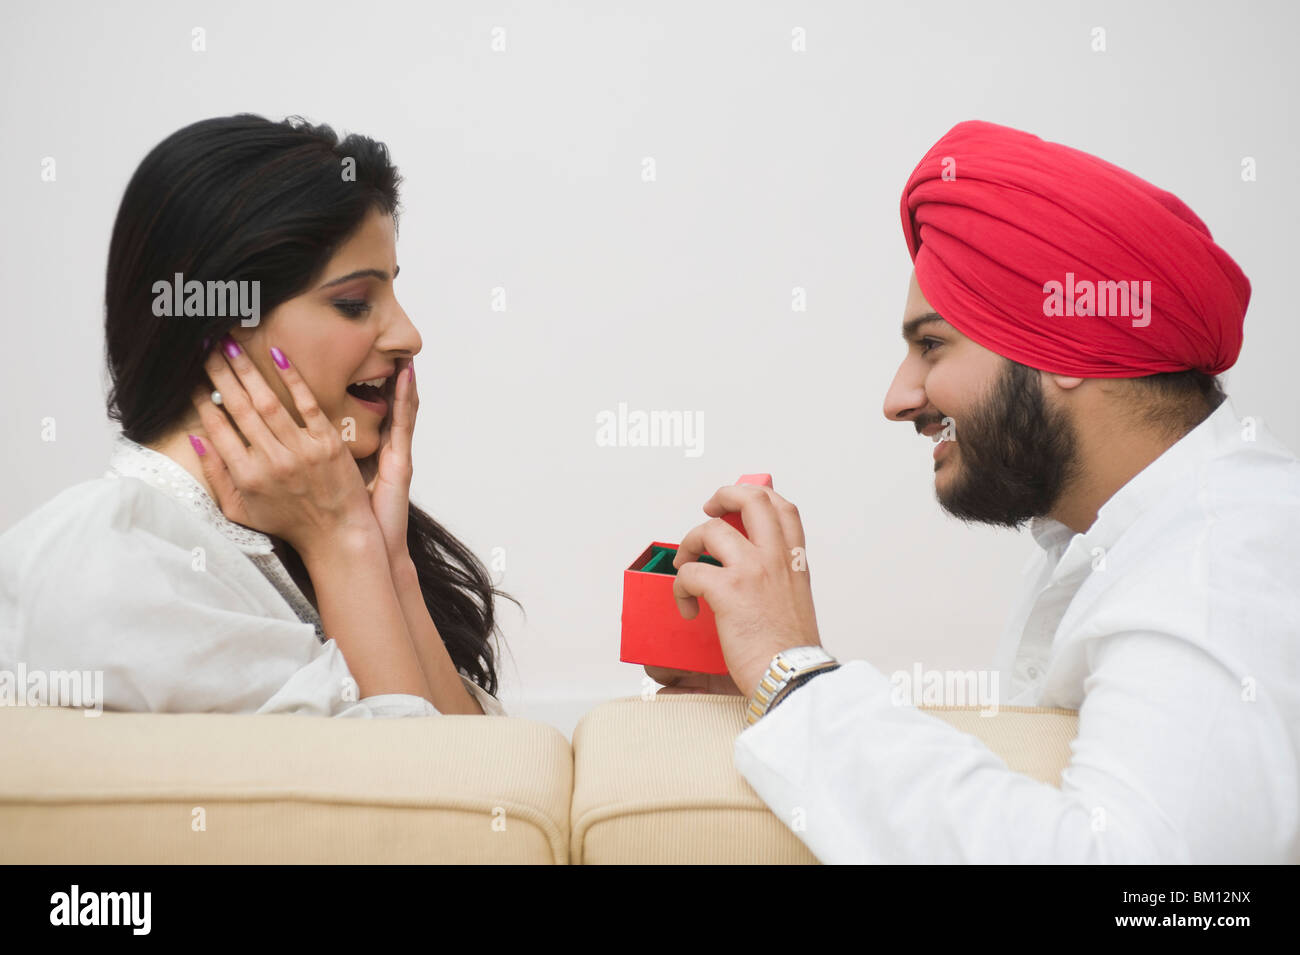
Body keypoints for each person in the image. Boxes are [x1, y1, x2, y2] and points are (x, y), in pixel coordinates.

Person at [648, 120, 1300, 863]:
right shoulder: (1125, 545)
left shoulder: (1217, 572)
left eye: (931, 344)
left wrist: (792, 674)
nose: (898, 397)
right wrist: (771, 692)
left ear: (1068, 342)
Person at [0, 115, 512, 718]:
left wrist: (386, 558)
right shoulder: (110, 562)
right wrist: (343, 543)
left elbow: (487, 778)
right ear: (216, 324)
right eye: (353, 303)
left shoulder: (303, 527)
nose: (409, 335)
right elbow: (420, 800)